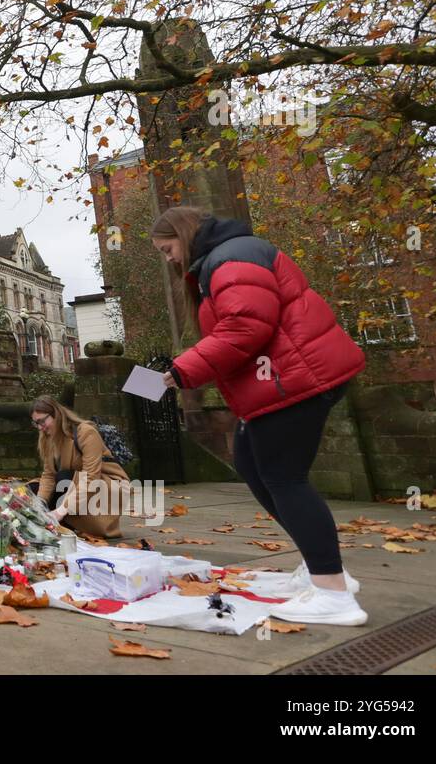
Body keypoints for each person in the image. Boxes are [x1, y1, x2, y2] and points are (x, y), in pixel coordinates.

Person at [150, 206, 368, 626]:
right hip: (288, 379)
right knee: (253, 466)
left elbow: (246, 325)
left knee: (285, 478)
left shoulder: (231, 257)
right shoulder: (225, 256)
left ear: (183, 234)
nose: (169, 259)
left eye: (168, 248)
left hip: (297, 379)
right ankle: (316, 567)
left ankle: (334, 591)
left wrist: (182, 370)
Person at [31, 396, 129, 539]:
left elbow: (91, 478)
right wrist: (39, 504)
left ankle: (68, 520)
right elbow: (49, 475)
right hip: (74, 484)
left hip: (105, 487)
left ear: (56, 415)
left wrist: (61, 510)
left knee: (64, 478)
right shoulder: (48, 437)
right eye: (35, 423)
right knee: (32, 492)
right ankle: (54, 520)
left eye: (42, 421)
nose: (40, 427)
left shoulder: (86, 432)